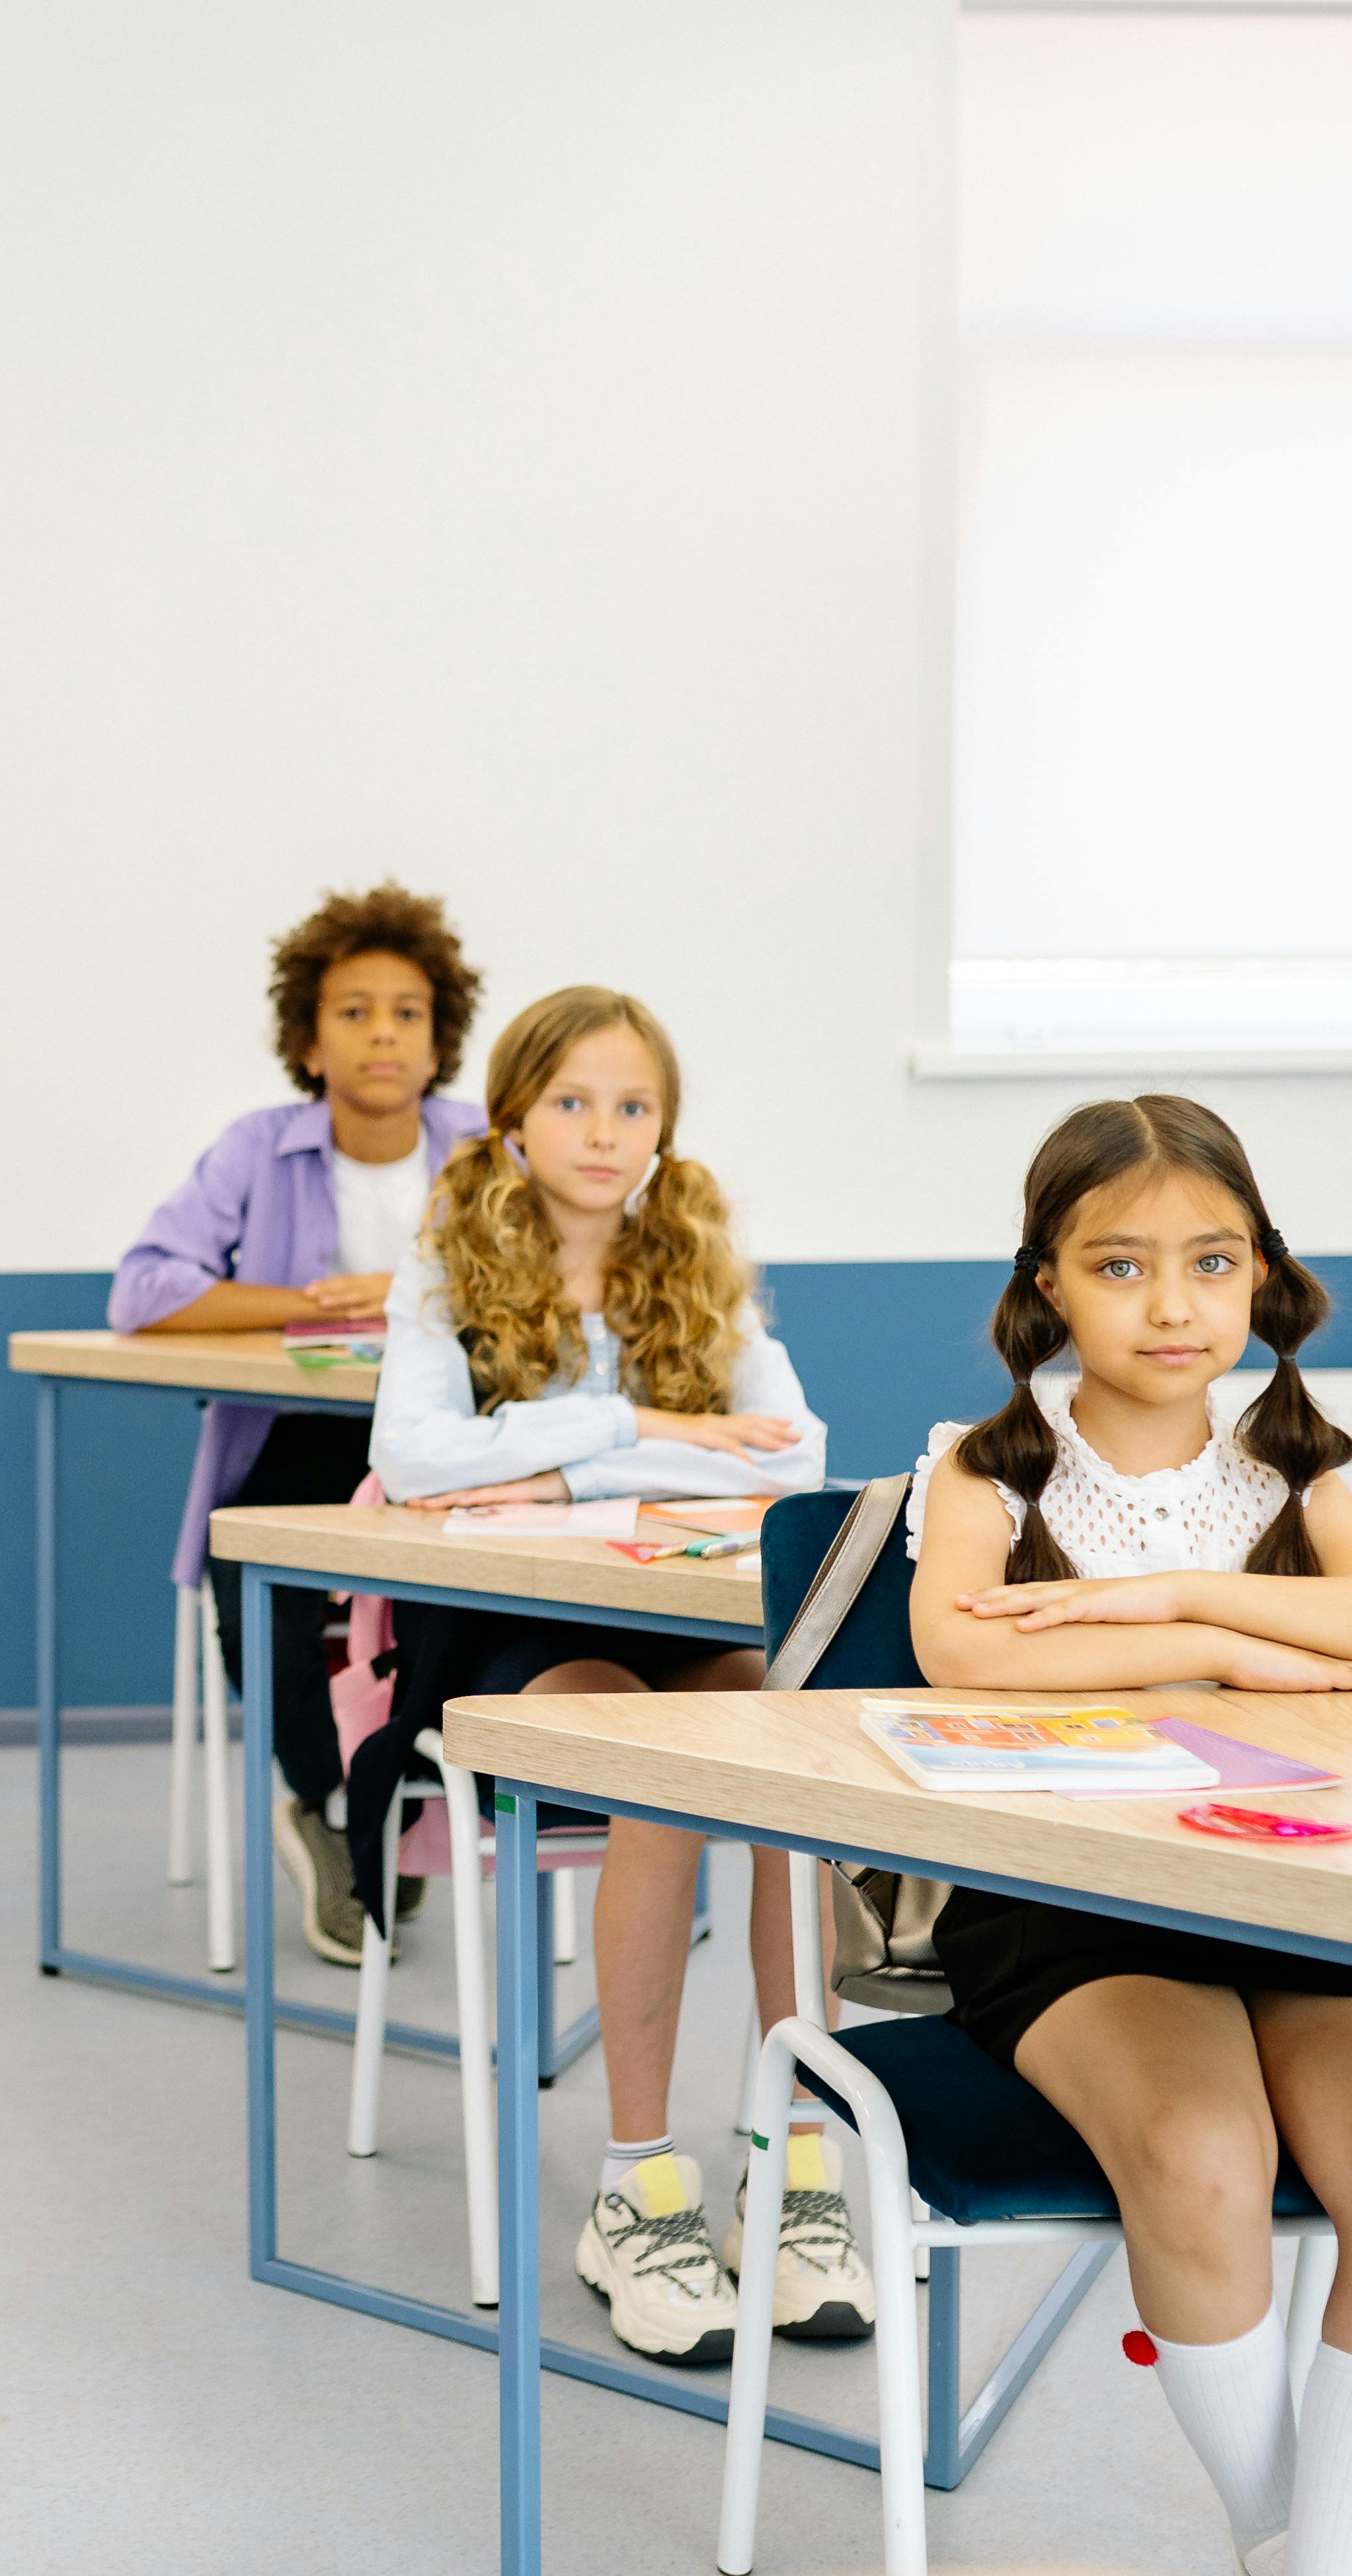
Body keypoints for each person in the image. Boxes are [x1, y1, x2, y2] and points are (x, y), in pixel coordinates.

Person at [910, 1096, 1352, 2576]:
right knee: (1199, 2146)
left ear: (1258, 1275)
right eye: (1120, 1266)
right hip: (1069, 1907)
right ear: (1047, 1285)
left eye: (1212, 1264)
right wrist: (1237, 1655)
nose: (1171, 1305)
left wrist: (1178, 1599)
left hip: (1307, 1893)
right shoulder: (986, 1464)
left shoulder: (1289, 1470)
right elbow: (966, 1653)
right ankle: (1284, 2539)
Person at [365, 984, 855, 2365]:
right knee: (658, 1769)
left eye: (632, 1106)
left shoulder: (692, 1253)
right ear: (513, 1117)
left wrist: (557, 1467)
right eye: (572, 1102)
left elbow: (794, 1449)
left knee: (797, 1748)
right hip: (512, 1627)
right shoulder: (449, 1260)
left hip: (678, 1608)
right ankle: (637, 2188)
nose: (602, 1132)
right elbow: (413, 1459)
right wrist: (643, 1426)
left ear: (664, 1126)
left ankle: (795, 2160)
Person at [109, 881, 484, 1960]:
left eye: (407, 1012)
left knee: (467, 1590)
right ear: (309, 1042)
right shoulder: (256, 1146)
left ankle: (408, 1792)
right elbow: (142, 1290)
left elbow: (558, 1284)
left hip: (450, 1444)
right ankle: (329, 1803)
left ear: (440, 1039)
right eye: (354, 1012)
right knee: (254, 1576)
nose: (383, 1034)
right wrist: (310, 1304)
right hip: (298, 1437)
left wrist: (413, 1301)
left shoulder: (487, 1146)